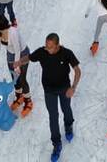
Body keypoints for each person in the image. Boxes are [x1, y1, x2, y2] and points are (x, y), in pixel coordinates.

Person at [27, 33, 81, 161]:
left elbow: (77, 71)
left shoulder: (67, 53)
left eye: (50, 47)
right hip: (49, 91)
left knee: (66, 109)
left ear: (57, 46)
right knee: (53, 116)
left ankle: (68, 126)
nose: (47, 49)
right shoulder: (42, 52)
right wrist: (19, 62)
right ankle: (56, 144)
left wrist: (73, 87)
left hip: (64, 89)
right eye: (46, 46)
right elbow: (29, 58)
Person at [0, 13, 33, 117]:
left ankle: (28, 101)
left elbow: (17, 50)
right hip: (10, 54)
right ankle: (19, 96)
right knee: (14, 78)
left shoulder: (12, 32)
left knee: (22, 78)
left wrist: (17, 66)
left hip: (22, 54)